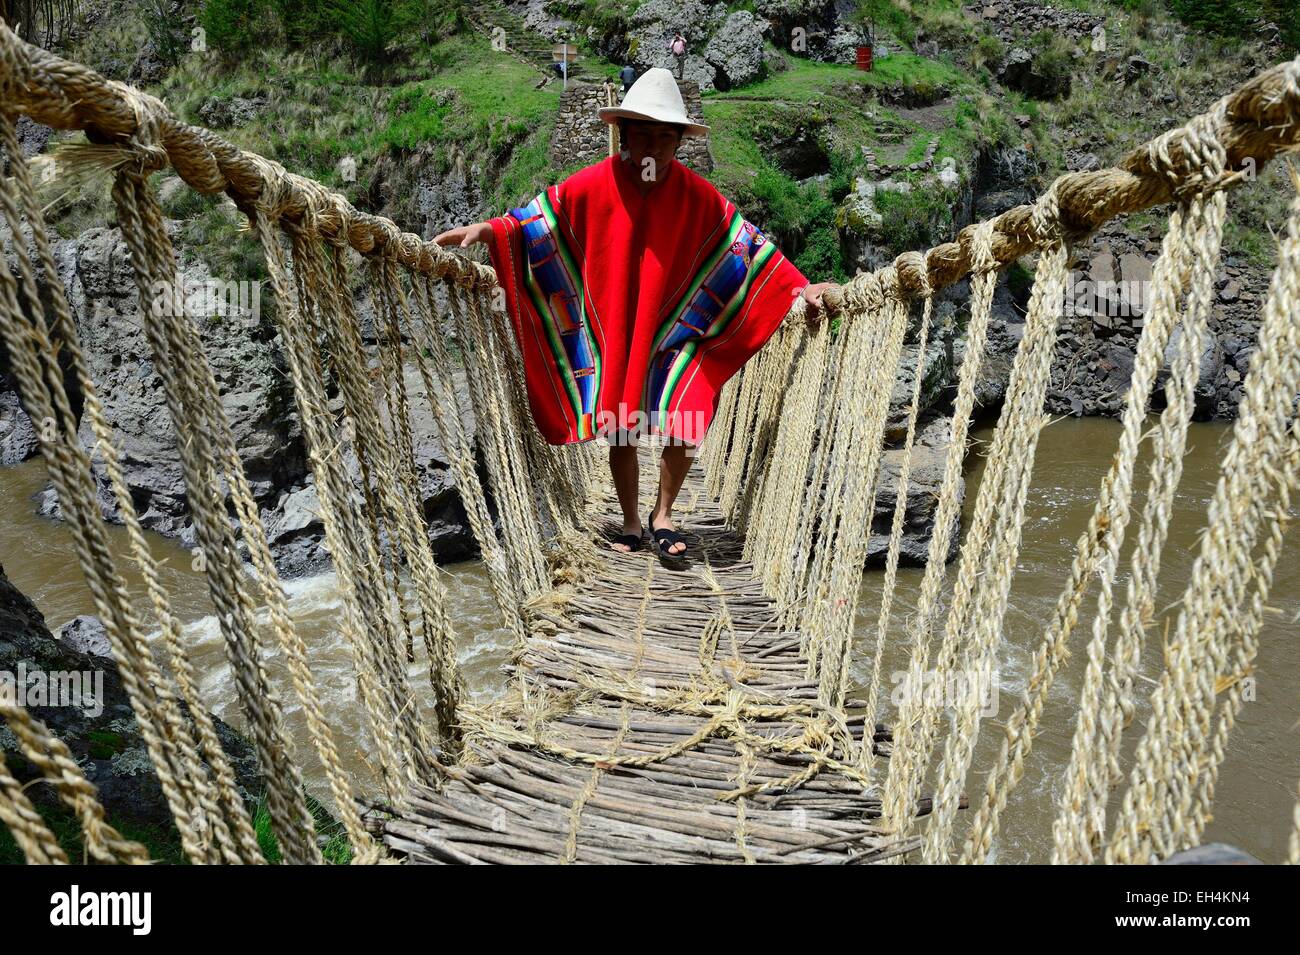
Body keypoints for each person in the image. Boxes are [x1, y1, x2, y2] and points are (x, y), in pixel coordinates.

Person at [433, 68, 833, 561]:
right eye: (645, 134)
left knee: (689, 415)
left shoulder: (697, 195)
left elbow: (746, 247)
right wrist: (493, 231)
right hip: (619, 325)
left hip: (677, 329)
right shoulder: (592, 184)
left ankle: (663, 514)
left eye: (667, 136)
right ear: (623, 134)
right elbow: (537, 223)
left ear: (681, 143)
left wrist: (800, 286)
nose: (656, 147)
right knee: (623, 419)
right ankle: (629, 519)